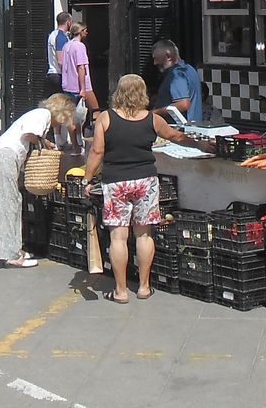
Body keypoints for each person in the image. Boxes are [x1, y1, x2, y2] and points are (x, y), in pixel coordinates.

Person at [85, 74, 205, 303]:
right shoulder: (152, 119)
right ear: (142, 93)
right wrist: (202, 144)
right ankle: (144, 287)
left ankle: (121, 291)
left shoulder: (106, 118)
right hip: (145, 181)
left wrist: (87, 179)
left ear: (119, 93)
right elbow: (176, 136)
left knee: (118, 237)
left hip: (116, 181)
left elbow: (97, 151)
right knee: (144, 234)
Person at [0, 93, 79, 268]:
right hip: (3, 157)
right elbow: (29, 134)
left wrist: (44, 141)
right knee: (8, 204)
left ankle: (14, 248)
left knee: (13, 202)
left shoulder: (38, 115)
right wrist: (44, 142)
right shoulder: (43, 115)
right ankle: (10, 255)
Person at [60, 23, 98, 149]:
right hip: (81, 86)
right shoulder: (80, 46)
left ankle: (76, 145)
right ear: (81, 31)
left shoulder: (66, 46)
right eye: (85, 30)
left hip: (68, 85)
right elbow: (81, 67)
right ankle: (96, 141)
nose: (87, 32)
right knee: (96, 111)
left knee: (71, 117)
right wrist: (83, 88)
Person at [150, 39, 203, 124]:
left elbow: (183, 104)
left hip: (180, 128)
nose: (155, 63)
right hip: (193, 125)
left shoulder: (176, 75)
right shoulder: (189, 69)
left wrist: (154, 113)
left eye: (156, 58)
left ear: (168, 56)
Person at [45, 11, 72, 99]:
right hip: (58, 74)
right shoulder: (61, 37)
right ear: (68, 22)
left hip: (52, 73)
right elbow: (60, 60)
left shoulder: (52, 34)